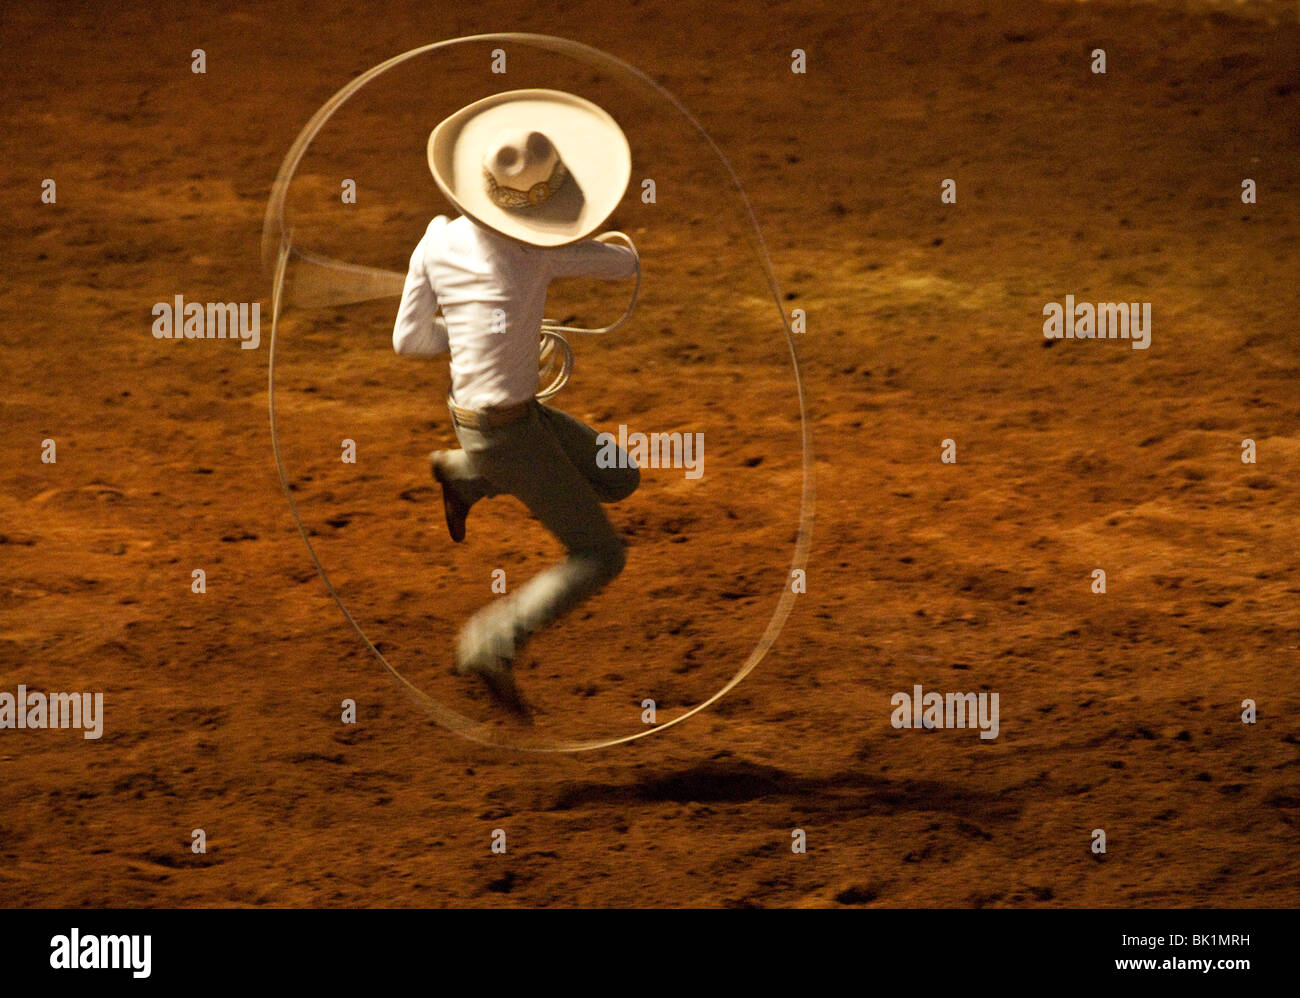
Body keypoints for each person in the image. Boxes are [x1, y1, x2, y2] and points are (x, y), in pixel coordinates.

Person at [392, 89, 640, 714]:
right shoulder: (534, 251)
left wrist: (470, 324)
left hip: (487, 419)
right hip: (511, 432)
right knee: (600, 554)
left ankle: (465, 472)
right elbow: (622, 266)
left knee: (619, 474)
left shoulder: (433, 242)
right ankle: (489, 640)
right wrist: (558, 242)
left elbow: (410, 341)